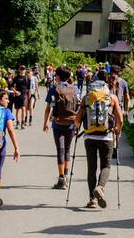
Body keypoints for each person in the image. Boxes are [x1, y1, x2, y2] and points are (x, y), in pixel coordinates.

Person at [74, 69, 122, 209]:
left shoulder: (87, 97)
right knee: (106, 165)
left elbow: (78, 118)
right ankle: (100, 187)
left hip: (89, 136)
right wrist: (118, 131)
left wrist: (77, 128)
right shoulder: (112, 97)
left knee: (91, 167)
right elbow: (120, 119)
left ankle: (92, 200)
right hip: (106, 136)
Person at [43, 65, 81, 191]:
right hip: (71, 123)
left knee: (60, 150)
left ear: (58, 76)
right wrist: (78, 122)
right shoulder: (75, 89)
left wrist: (45, 123)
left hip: (58, 123)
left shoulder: (54, 89)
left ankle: (61, 179)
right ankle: (66, 175)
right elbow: (79, 107)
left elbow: (49, 107)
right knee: (68, 149)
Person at [11, 65, 30, 129]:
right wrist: (15, 91)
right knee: (18, 109)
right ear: (19, 70)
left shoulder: (27, 78)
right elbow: (11, 86)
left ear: (25, 70)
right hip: (17, 95)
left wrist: (29, 95)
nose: (22, 70)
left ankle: (22, 123)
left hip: (24, 95)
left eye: (23, 69)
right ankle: (18, 123)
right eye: (21, 69)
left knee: (23, 108)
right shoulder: (16, 77)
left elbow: (29, 88)